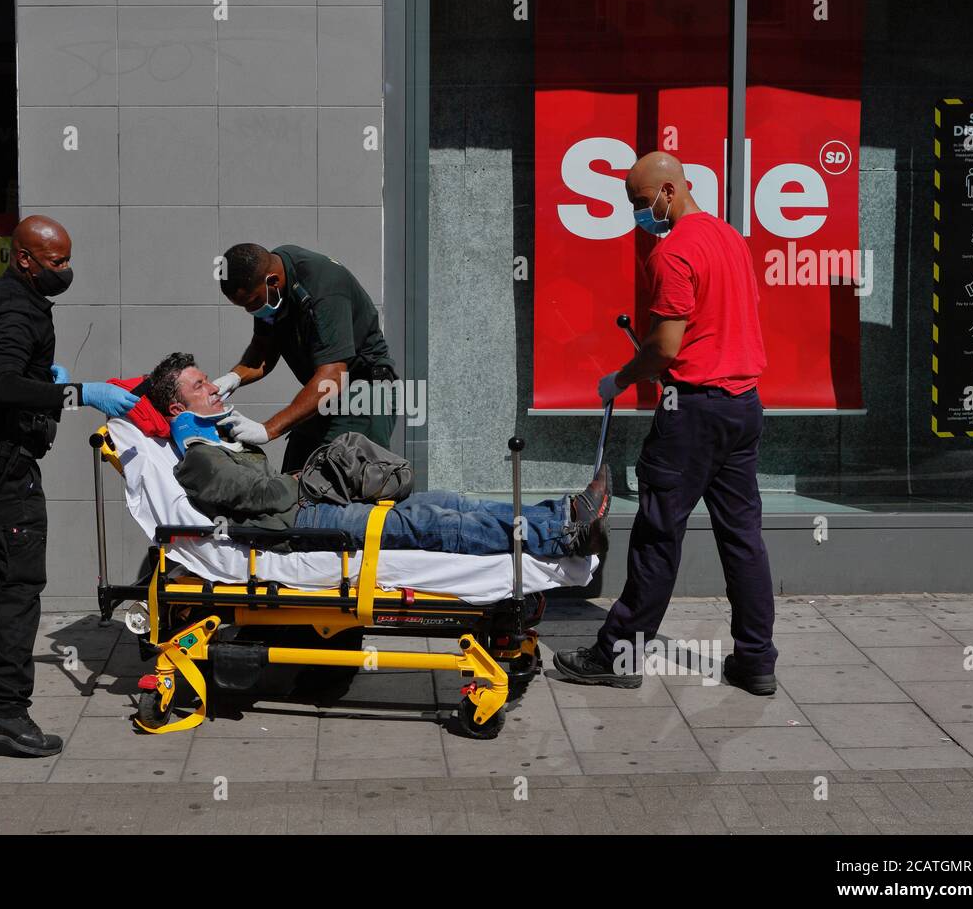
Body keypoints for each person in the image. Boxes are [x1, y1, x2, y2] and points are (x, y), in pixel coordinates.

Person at [553, 152, 778, 696]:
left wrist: (621, 378)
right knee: (743, 538)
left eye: (640, 202)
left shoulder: (673, 251)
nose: (639, 213)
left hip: (693, 414)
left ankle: (619, 656)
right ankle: (755, 660)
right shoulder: (730, 238)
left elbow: (666, 344)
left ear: (669, 193)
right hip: (743, 406)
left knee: (658, 534)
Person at [0, 215, 139, 757]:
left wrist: (46, 378)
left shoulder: (7, 297)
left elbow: (7, 375)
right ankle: (1, 709)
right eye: (57, 262)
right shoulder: (14, 308)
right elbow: (6, 386)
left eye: (68, 259)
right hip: (0, 463)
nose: (66, 270)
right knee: (21, 581)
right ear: (26, 258)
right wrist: (80, 393)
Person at [144, 353, 609, 558]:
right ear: (177, 408)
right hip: (297, 527)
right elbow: (260, 497)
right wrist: (309, 476)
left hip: (312, 508)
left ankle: (565, 511)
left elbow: (268, 487)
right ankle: (561, 538)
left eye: (208, 378)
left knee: (447, 501)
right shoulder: (198, 460)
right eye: (200, 385)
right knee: (427, 525)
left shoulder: (224, 439)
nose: (214, 388)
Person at [213, 243, 399, 472]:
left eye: (252, 303)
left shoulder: (325, 287)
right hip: (327, 394)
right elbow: (263, 348)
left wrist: (268, 429)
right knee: (294, 481)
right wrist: (234, 377)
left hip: (363, 393)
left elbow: (333, 376)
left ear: (273, 281)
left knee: (342, 485)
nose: (251, 311)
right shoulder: (272, 289)